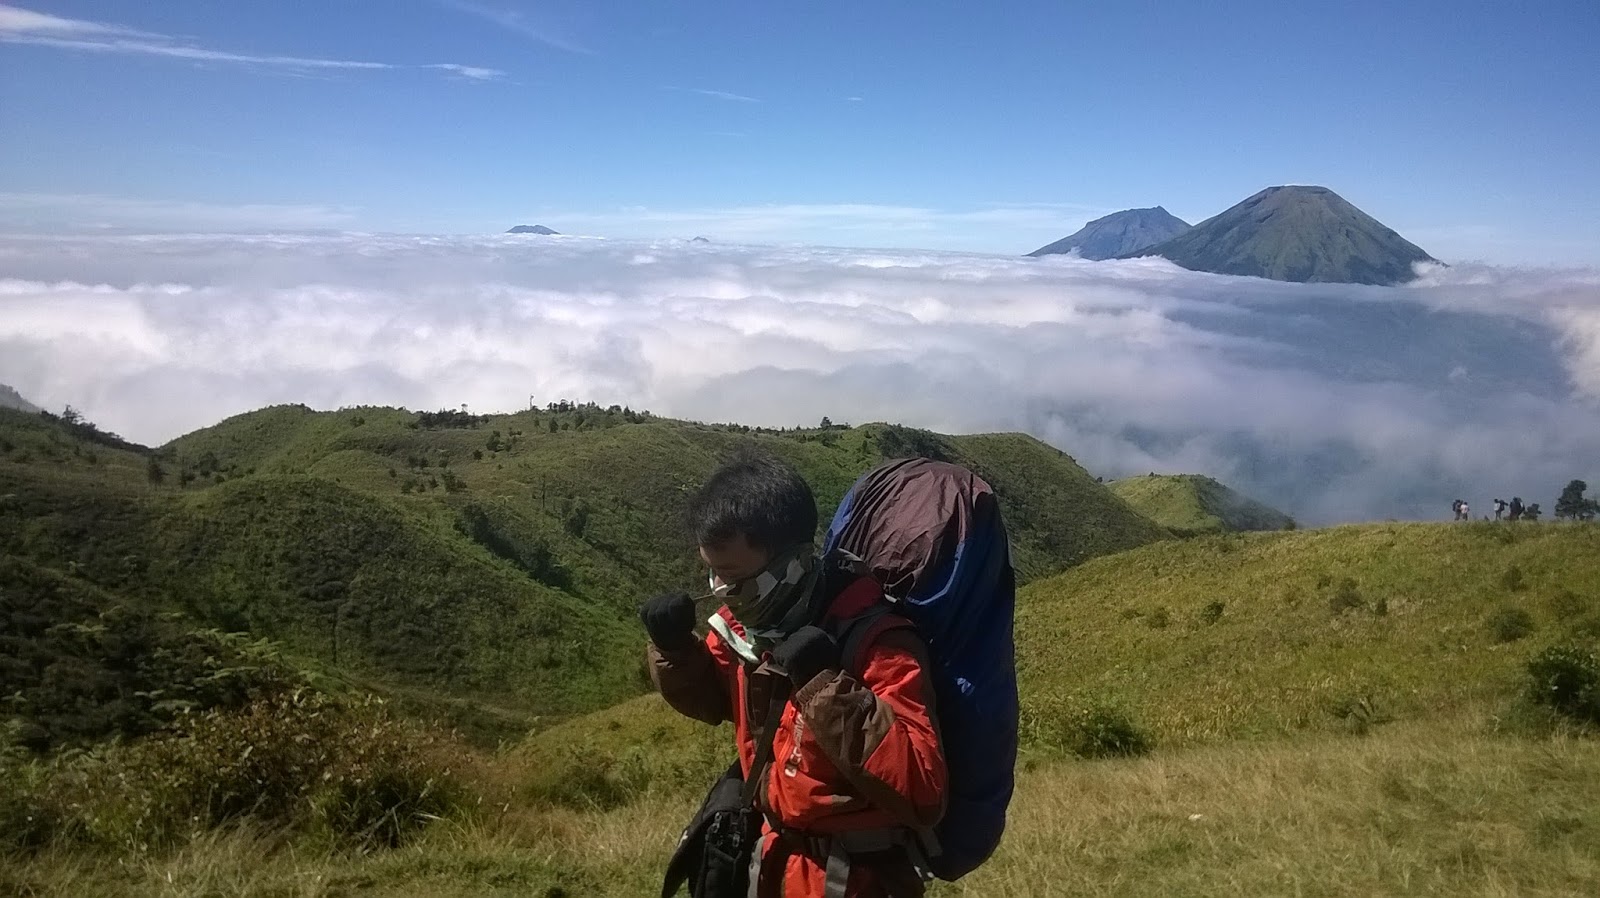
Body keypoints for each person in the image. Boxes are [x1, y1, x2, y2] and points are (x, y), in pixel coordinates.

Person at [642, 450, 946, 897]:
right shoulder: (752, 629)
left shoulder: (875, 641)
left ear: (789, 564)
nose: (721, 592)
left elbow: (922, 786)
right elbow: (715, 701)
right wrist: (675, 652)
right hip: (771, 864)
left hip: (851, 879)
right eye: (712, 575)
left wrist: (825, 686)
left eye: (732, 579)